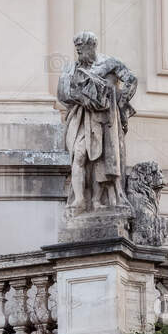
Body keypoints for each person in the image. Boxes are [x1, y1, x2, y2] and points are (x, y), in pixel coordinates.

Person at [57, 31, 137, 215]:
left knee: (102, 159)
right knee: (79, 155)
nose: (78, 53)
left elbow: (131, 81)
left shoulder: (109, 63)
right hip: (82, 117)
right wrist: (80, 96)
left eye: (81, 49)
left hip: (105, 119)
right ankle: (79, 200)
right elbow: (62, 94)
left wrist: (118, 105)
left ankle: (96, 199)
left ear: (91, 46)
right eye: (76, 50)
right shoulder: (71, 69)